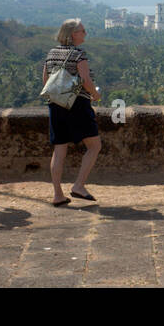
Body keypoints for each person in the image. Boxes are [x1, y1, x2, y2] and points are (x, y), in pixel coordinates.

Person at [43, 19, 102, 206]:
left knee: (60, 149)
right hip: (78, 105)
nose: (85, 33)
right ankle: (79, 185)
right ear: (73, 34)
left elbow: (46, 79)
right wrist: (95, 95)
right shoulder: (78, 54)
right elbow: (85, 79)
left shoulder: (51, 53)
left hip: (56, 104)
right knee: (94, 146)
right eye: (82, 31)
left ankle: (57, 194)